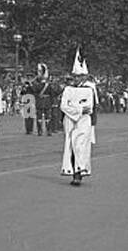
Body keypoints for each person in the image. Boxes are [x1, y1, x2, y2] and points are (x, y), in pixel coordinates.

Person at [60, 52, 96, 186]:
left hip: (83, 121)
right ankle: (73, 170)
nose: (76, 78)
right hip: (69, 120)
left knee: (80, 145)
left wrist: (75, 108)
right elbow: (63, 106)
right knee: (71, 145)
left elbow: (89, 107)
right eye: (74, 76)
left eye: (79, 76)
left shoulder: (88, 90)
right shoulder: (67, 89)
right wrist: (79, 109)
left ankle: (79, 173)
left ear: (84, 77)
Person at [30, 63, 53, 137]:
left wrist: (32, 83)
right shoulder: (48, 85)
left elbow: (34, 90)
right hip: (46, 102)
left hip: (40, 101)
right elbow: (52, 93)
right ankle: (48, 131)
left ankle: (41, 131)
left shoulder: (37, 84)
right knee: (46, 117)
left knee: (41, 117)